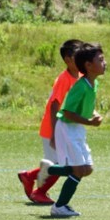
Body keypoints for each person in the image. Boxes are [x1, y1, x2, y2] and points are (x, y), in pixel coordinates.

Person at [39, 43, 106, 218]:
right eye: (100, 60)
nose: (104, 63)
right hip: (67, 128)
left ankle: (50, 170)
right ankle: (59, 206)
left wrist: (94, 114)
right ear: (88, 65)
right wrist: (89, 122)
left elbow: (86, 107)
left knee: (87, 169)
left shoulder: (93, 84)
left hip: (77, 128)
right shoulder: (80, 86)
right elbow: (67, 112)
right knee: (78, 170)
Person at [20, 38, 82, 205]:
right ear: (68, 60)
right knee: (61, 165)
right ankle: (37, 189)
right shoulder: (64, 79)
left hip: (65, 129)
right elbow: (54, 105)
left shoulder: (80, 77)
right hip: (53, 128)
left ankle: (29, 177)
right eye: (79, 56)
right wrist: (55, 132)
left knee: (63, 164)